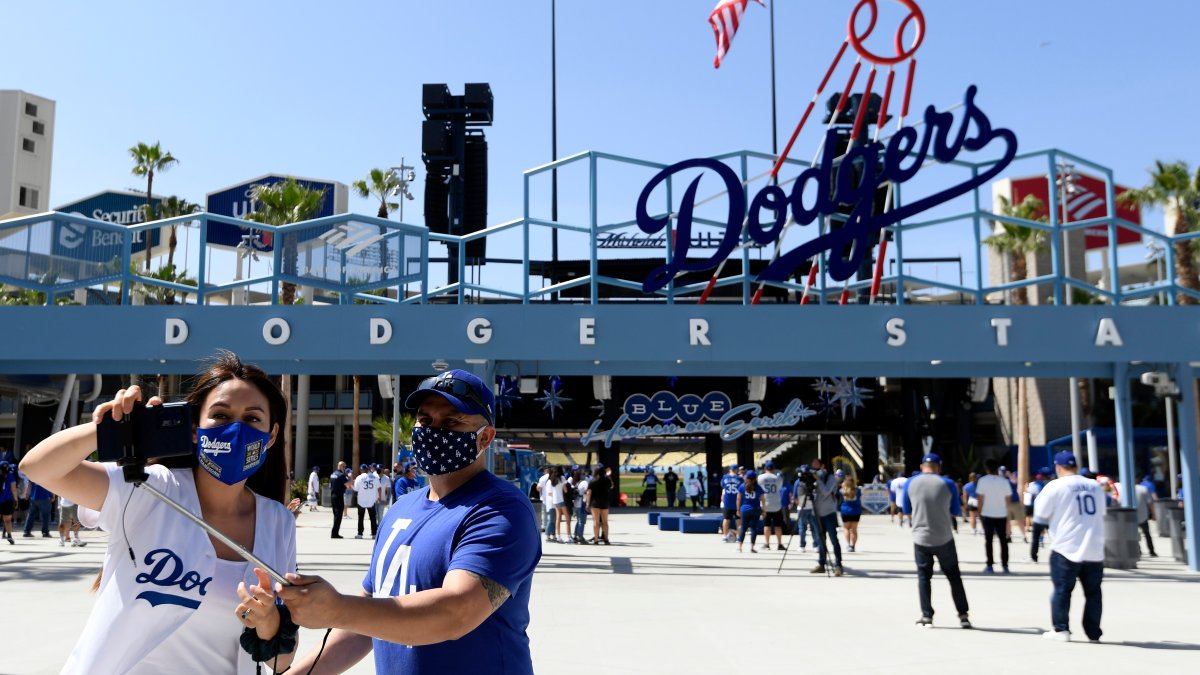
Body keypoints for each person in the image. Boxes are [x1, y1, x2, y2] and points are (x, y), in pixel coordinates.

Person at [19, 352, 298, 673]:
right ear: (194, 429)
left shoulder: (279, 523)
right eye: (220, 416)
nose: (236, 430)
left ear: (272, 435)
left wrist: (268, 623)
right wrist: (112, 428)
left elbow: (282, 662)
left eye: (252, 419)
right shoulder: (148, 489)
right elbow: (38, 468)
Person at [280, 369, 541, 674]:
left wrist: (337, 609)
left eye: (451, 421)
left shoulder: (501, 510)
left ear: (485, 437)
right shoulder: (401, 509)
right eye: (425, 421)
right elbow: (366, 621)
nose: (433, 431)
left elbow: (456, 612)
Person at [1033, 451, 1107, 642]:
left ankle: (1061, 629)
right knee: (1093, 593)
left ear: (1058, 467)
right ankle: (1093, 632)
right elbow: (1102, 513)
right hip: (1094, 546)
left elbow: (1040, 515)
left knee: (1062, 590)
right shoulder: (1095, 486)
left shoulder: (1055, 486)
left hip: (1066, 546)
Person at [902, 453, 971, 629]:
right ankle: (963, 615)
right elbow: (955, 510)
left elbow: (907, 509)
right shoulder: (948, 484)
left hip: (921, 537)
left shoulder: (910, 483)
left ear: (921, 466)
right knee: (954, 576)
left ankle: (927, 616)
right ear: (939, 467)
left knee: (924, 577)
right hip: (944, 537)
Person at [975, 460, 1012, 574]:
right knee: (1003, 540)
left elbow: (980, 498)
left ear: (986, 468)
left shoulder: (982, 480)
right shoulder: (1004, 481)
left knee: (988, 540)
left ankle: (990, 565)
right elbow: (1008, 499)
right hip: (1001, 514)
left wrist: (979, 512)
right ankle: (1005, 565)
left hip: (987, 514)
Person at [810, 457, 844, 576]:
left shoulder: (831, 478)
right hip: (816, 514)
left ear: (823, 466)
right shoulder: (814, 478)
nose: (814, 470)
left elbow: (825, 492)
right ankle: (821, 564)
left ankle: (838, 565)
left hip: (828, 513)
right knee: (820, 540)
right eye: (813, 468)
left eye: (816, 467)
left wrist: (817, 480)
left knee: (834, 540)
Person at [736, 470, 765, 553]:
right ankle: (752, 547)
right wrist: (764, 510)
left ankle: (740, 547)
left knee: (743, 528)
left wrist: (738, 509)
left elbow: (738, 499)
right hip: (755, 509)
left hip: (745, 509)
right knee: (754, 529)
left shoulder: (742, 486)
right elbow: (763, 499)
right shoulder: (758, 487)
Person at [758, 461, 785, 551]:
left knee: (767, 525)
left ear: (765, 468)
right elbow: (780, 488)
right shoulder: (777, 478)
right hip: (776, 504)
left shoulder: (760, 477)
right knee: (778, 525)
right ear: (773, 469)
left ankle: (767, 544)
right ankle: (780, 544)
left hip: (765, 504)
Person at [792, 466, 818, 552]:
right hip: (811, 507)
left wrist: (799, 504)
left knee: (802, 527)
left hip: (802, 508)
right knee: (813, 527)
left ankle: (802, 545)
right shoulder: (813, 482)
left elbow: (794, 497)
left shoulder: (797, 482)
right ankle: (816, 545)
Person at [586, 465, 612, 545]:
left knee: (596, 522)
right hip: (605, 502)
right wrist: (608, 476)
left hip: (595, 503)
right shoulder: (607, 480)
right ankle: (606, 539)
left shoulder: (592, 481)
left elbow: (588, 493)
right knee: (605, 522)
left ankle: (596, 539)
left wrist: (587, 504)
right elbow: (612, 486)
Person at [354, 463, 379, 539]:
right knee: (373, 518)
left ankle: (360, 533)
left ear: (361, 470)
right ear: (367, 469)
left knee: (361, 518)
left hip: (361, 501)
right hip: (371, 500)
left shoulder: (359, 478)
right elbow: (378, 487)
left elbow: (356, 489)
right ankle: (374, 534)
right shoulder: (374, 477)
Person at [1134, 479, 1157, 558]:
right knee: (1147, 534)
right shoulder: (1144, 489)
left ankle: (1138, 550)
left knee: (1134, 534)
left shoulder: (1125, 489)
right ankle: (1152, 551)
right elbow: (1150, 503)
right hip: (1143, 515)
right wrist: (1153, 514)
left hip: (1132, 516)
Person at [719, 465, 742, 543]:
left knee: (726, 519)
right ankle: (739, 537)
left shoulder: (725, 477)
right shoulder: (739, 478)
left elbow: (723, 486)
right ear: (736, 470)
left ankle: (725, 536)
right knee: (738, 521)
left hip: (727, 502)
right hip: (737, 502)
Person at [839, 475, 863, 552]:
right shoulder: (857, 490)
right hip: (856, 511)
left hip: (845, 511)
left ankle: (848, 545)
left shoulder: (842, 491)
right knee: (854, 530)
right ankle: (853, 546)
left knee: (846, 528)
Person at [330, 464, 350, 539]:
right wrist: (350, 477)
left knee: (335, 515)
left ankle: (334, 532)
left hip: (333, 496)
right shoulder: (341, 475)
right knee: (338, 515)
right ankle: (335, 533)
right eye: (344, 467)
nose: (345, 468)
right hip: (338, 496)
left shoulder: (333, 474)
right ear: (341, 467)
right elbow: (348, 485)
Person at [0, 460, 17, 544]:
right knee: (8, 520)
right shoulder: (11, 476)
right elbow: (13, 489)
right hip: (7, 501)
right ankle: (9, 536)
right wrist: (16, 500)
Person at [572, 468, 590, 544]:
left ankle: (576, 535)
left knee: (578, 521)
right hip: (582, 503)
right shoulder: (584, 483)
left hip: (576, 503)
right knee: (582, 521)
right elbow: (588, 492)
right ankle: (580, 536)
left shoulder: (575, 482)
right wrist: (588, 504)